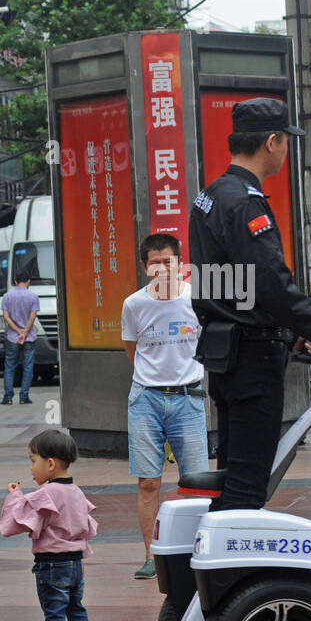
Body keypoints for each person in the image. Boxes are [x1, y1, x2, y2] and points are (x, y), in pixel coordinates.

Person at [189, 97, 311, 511]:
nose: (287, 150)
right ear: (272, 141)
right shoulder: (246, 202)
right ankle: (230, 574)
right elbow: (272, 283)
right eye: (286, 141)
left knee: (231, 476)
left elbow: (228, 285)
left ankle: (217, 568)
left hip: (225, 353)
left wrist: (292, 335)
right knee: (249, 483)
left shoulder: (211, 196)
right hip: (252, 357)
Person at [122, 234, 209, 579]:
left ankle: (197, 551)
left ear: (179, 263)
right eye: (154, 262)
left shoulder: (196, 298)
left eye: (167, 261)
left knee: (196, 482)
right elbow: (133, 350)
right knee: (148, 483)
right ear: (145, 267)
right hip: (146, 398)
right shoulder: (134, 304)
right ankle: (151, 556)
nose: (161, 268)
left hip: (189, 396)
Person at [0, 429, 98, 621]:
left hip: (52, 564)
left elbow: (19, 521)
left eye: (33, 461)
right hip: (76, 562)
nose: (31, 469)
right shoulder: (76, 491)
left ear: (51, 463)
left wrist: (14, 496)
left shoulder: (47, 493)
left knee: (53, 609)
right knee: (76, 606)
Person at [1, 273, 38, 405]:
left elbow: (6, 316)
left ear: (15, 281)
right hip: (29, 337)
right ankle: (24, 396)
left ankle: (8, 397)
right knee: (28, 367)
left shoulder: (7, 296)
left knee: (10, 366)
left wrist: (18, 331)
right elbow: (33, 317)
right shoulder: (33, 297)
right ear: (28, 281)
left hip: (12, 337)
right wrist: (25, 332)